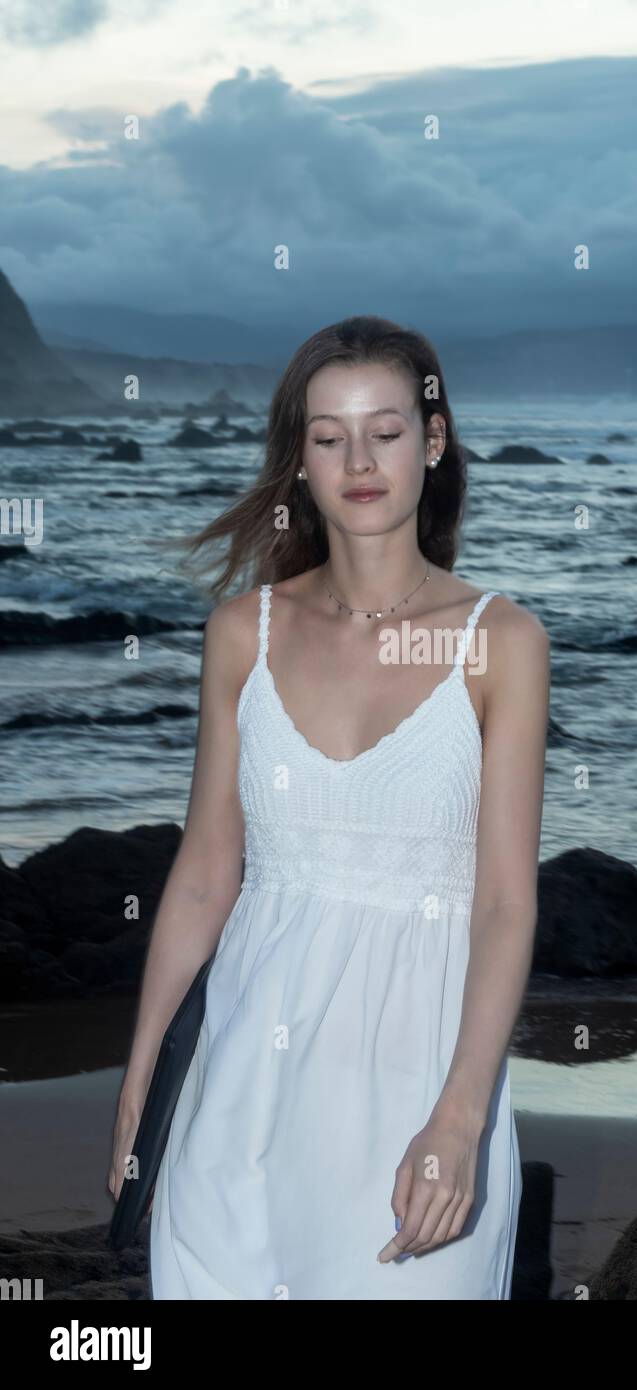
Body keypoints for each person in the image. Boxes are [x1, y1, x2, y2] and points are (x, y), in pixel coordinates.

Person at [109, 314, 549, 1299]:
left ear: (432, 445)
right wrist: (139, 1083)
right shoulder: (241, 632)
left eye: (386, 432)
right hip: (237, 1088)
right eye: (327, 434)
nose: (359, 459)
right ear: (297, 458)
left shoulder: (501, 642)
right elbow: (205, 875)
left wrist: (460, 1119)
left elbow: (503, 904)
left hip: (414, 1091)